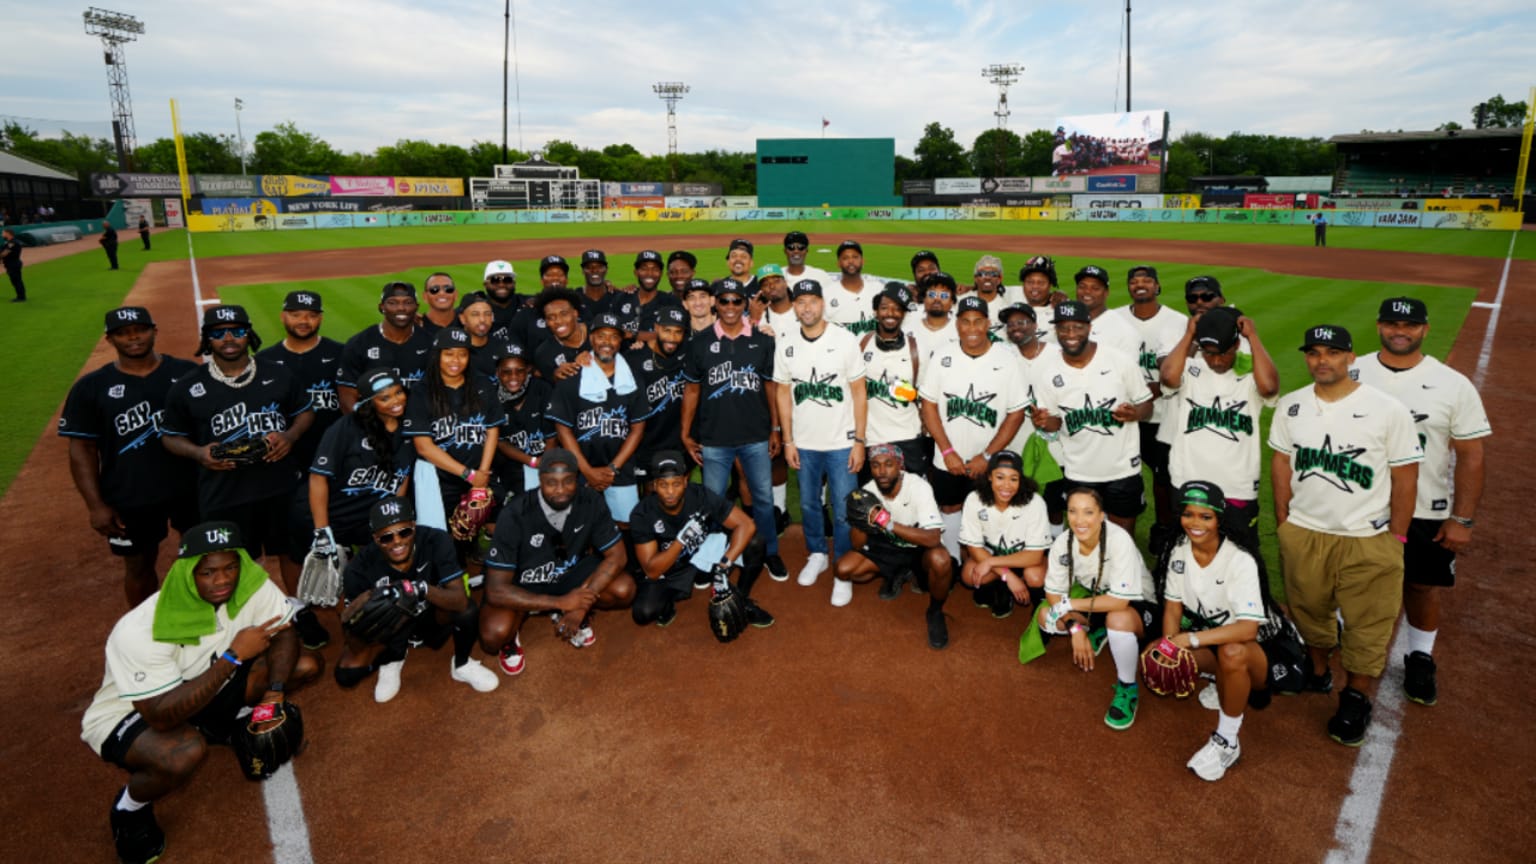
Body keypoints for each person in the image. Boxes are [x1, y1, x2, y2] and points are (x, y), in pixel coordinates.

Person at [80, 522, 321, 864]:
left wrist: (274, 694)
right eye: (208, 572)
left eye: (230, 567)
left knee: (305, 666)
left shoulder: (250, 586)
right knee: (184, 753)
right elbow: (160, 714)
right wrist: (233, 657)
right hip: (133, 712)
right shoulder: (141, 629)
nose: (223, 580)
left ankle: (225, 726)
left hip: (205, 687)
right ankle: (129, 809)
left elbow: (283, 633)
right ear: (186, 571)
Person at [1270, 325, 1422, 746]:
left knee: (1368, 623)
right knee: (1309, 610)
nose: (1322, 360)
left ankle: (1355, 696)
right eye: (1314, 352)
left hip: (1367, 538)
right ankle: (1318, 672)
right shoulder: (1292, 406)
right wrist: (1285, 521)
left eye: (1333, 352)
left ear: (1352, 358)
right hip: (1305, 533)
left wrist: (1398, 537)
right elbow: (1282, 464)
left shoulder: (1387, 410)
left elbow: (1406, 477)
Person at [1352, 297, 1490, 706]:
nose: (1400, 331)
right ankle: (1349, 644)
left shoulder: (1452, 384)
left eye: (1410, 325)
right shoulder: (1353, 370)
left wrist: (1461, 519)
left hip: (1424, 508)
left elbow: (1471, 454)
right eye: (1392, 323)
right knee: (1354, 580)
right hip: (1358, 504)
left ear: (1424, 330)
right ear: (1379, 325)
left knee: (1422, 585)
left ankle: (1420, 656)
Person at [160, 306, 315, 617]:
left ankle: (301, 613)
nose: (228, 338)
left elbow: (305, 411)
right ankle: (249, 619)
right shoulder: (188, 387)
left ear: (249, 334)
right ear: (207, 339)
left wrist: (290, 436)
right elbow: (170, 437)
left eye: (237, 331)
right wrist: (199, 453)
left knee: (291, 552)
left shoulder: (278, 373)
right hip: (224, 491)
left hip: (279, 484)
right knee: (236, 559)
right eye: (218, 332)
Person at [61, 307, 199, 606]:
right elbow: (82, 448)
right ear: (109, 339)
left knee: (201, 557)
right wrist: (96, 505)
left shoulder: (186, 373)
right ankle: (145, 630)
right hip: (130, 493)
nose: (133, 337)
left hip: (190, 488)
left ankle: (204, 618)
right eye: (123, 333)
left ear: (154, 331)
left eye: (140, 329)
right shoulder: (90, 388)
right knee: (138, 566)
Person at [480, 450, 637, 675]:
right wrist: (561, 602)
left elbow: (618, 556)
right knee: (494, 634)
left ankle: (572, 607)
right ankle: (520, 627)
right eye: (551, 483)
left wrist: (580, 605)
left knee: (624, 589)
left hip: (569, 575)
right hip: (524, 584)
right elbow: (495, 590)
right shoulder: (515, 513)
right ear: (540, 481)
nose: (561, 490)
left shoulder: (589, 500)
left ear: (576, 479)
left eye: (568, 481)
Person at [1158, 481, 1271, 781]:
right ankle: (1217, 680)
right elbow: (1173, 608)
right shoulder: (1179, 552)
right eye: (1188, 514)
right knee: (1156, 655)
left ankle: (1227, 741)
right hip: (1209, 641)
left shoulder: (1239, 560)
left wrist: (1189, 640)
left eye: (1205, 517)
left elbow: (1248, 628)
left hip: (1255, 655)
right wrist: (1169, 646)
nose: (1195, 523)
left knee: (1231, 652)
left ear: (1220, 518)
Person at [333, 497, 498, 701]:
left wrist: (418, 588)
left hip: (431, 613)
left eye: (404, 532)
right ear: (375, 538)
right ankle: (393, 658)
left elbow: (459, 600)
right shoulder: (358, 568)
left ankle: (462, 664)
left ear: (413, 526)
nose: (397, 542)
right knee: (347, 672)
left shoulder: (436, 540)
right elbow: (351, 627)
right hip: (392, 628)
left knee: (468, 611)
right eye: (386, 537)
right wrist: (365, 603)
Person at [680, 276, 787, 581]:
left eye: (736, 301)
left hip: (755, 435)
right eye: (723, 300)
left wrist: (775, 428)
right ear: (715, 303)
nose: (729, 306)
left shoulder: (762, 340)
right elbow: (691, 391)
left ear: (744, 304)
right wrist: (686, 433)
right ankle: (712, 557)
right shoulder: (699, 343)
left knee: (763, 499)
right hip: (714, 439)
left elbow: (770, 386)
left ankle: (769, 552)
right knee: (714, 503)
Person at [775, 278, 868, 605]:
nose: (807, 307)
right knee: (812, 503)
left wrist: (859, 440)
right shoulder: (786, 342)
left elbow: (859, 391)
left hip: (841, 441)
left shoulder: (844, 339)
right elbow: (783, 392)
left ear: (822, 304)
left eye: (813, 301)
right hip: (805, 442)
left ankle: (842, 562)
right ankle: (817, 552)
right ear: (795, 307)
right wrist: (787, 440)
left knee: (843, 508)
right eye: (800, 302)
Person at [918, 296, 1030, 563]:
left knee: (989, 509)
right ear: (957, 324)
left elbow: (1016, 414)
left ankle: (987, 566)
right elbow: (929, 405)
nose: (971, 328)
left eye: (978, 321)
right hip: (948, 457)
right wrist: (947, 451)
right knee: (950, 506)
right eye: (965, 322)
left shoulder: (1006, 359)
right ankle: (955, 560)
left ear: (988, 324)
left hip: (989, 460)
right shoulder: (943, 356)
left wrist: (988, 456)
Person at [1028, 300, 1154, 536]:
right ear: (1056, 330)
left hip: (1122, 469)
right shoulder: (1048, 373)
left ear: (1089, 327)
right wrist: (1045, 422)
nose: (1070, 334)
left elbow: (1146, 404)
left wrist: (1136, 413)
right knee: (1084, 537)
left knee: (1122, 538)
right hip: (1079, 470)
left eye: (1077, 327)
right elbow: (1055, 424)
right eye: (1064, 328)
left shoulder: (1119, 361)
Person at [1036, 487, 1156, 730]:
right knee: (1045, 617)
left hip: (1138, 607)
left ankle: (1127, 687)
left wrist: (1069, 604)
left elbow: (1119, 602)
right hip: (1097, 602)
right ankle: (1098, 632)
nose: (1080, 520)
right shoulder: (1063, 542)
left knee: (1118, 619)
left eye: (1088, 512)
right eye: (1073, 511)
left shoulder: (1119, 540)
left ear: (1102, 516)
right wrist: (1075, 629)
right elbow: (1053, 593)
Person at [1160, 307, 1279, 551]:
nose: (1216, 361)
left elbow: (1268, 388)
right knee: (1185, 550)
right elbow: (1168, 377)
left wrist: (1253, 337)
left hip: (1237, 484)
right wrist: (1189, 335)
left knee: (1241, 553)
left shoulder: (1249, 374)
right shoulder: (1191, 369)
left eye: (1222, 353)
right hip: (1188, 479)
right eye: (1209, 353)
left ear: (1236, 344)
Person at [629, 450, 774, 628]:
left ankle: (741, 600)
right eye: (663, 485)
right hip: (669, 567)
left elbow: (747, 525)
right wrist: (681, 541)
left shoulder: (700, 495)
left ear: (685, 480)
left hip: (701, 553)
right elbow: (652, 570)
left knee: (755, 542)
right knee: (645, 612)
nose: (670, 492)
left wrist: (724, 566)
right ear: (654, 485)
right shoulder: (641, 514)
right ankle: (668, 601)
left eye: (676, 483)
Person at [834, 444, 952, 647]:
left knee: (941, 560)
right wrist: (859, 520)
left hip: (919, 548)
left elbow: (933, 538)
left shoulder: (918, 487)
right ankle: (897, 573)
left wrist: (885, 522)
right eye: (876, 465)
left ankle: (935, 611)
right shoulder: (868, 491)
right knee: (843, 569)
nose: (882, 472)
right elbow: (857, 544)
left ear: (900, 466)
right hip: (888, 547)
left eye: (889, 464)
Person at [402, 326, 505, 545]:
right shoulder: (423, 391)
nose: (455, 360)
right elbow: (423, 447)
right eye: (449, 353)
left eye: (462, 354)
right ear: (437, 355)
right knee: (441, 539)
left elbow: (492, 429)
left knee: (496, 527)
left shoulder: (482, 385)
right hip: (439, 478)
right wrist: (468, 475)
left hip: (479, 472)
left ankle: (480, 565)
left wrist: (482, 475)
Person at [1111, 266, 1189, 550]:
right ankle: (1113, 529)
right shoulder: (1114, 319)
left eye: (1147, 280)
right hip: (1123, 415)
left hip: (1163, 416)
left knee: (1163, 476)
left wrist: (1144, 395)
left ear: (1158, 287)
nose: (1140, 285)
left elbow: (1178, 373)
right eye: (1134, 281)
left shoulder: (1177, 322)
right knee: (1119, 475)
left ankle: (1164, 527)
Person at [547, 312, 650, 527]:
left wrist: (612, 469)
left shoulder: (633, 378)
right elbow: (563, 429)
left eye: (614, 337)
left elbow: (637, 429)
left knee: (625, 524)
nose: (607, 342)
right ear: (592, 339)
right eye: (601, 336)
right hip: (580, 468)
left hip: (619, 468)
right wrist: (587, 471)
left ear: (620, 341)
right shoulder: (572, 376)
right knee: (579, 524)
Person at [302, 368, 415, 556]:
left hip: (369, 521)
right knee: (324, 579)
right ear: (369, 402)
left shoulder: (410, 426)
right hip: (331, 516)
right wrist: (322, 531)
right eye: (384, 398)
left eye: (398, 392)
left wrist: (392, 517)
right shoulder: (346, 428)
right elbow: (318, 477)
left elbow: (404, 475)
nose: (396, 401)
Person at [256, 290, 345, 476]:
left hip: (333, 448)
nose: (304, 321)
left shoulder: (342, 354)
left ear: (320, 318)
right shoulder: (264, 361)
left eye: (311, 315)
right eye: (295, 315)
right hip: (283, 453)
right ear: (283, 317)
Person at [958, 451, 1053, 620]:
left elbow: (1035, 556)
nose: (1006, 486)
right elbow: (973, 548)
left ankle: (1041, 605)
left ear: (1021, 480)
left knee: (1035, 576)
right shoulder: (974, 499)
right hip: (994, 560)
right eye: (1000, 477)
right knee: (969, 574)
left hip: (1023, 559)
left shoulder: (1034, 502)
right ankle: (1001, 588)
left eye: (1013, 479)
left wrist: (991, 562)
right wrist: (1008, 576)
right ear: (989, 476)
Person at [336, 282, 435, 412]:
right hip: (375, 424)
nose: (401, 308)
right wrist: (366, 425)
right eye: (392, 303)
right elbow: (347, 393)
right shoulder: (359, 344)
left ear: (416, 307)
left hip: (419, 423)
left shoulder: (430, 343)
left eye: (408, 302)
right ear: (382, 307)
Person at [860, 283, 927, 475]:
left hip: (907, 435)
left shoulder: (917, 349)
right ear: (875, 312)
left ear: (904, 314)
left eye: (898, 308)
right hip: (870, 437)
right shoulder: (861, 344)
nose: (891, 313)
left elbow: (925, 397)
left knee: (910, 496)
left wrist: (910, 393)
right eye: (884, 307)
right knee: (872, 497)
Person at [626, 305, 690, 486]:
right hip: (646, 441)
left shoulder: (688, 353)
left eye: (678, 332)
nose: (672, 338)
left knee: (676, 490)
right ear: (656, 328)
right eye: (667, 330)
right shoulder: (635, 358)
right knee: (648, 492)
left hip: (678, 441)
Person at [492, 343, 553, 497]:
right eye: (507, 372)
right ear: (498, 373)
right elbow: (499, 441)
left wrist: (544, 464)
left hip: (547, 460)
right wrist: (532, 461)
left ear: (527, 370)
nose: (513, 377)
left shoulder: (541, 389)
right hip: (513, 467)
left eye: (519, 371)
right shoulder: (491, 397)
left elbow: (553, 434)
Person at [1072, 265, 1139, 355]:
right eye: (1082, 286)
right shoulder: (1066, 323)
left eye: (1095, 288)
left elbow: (1128, 368)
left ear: (1106, 293)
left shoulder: (1123, 331)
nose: (1087, 291)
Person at [532, 286, 590, 381]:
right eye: (551, 317)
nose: (558, 321)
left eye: (564, 314)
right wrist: (555, 377)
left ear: (575, 313)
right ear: (546, 322)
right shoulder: (544, 354)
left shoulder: (598, 331)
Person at [824, 240, 877, 335]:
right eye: (845, 258)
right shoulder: (826, 294)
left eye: (855, 257)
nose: (851, 261)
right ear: (838, 263)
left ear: (863, 261)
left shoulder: (877, 289)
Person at [906, 271, 959, 361]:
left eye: (944, 295)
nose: (937, 299)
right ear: (924, 298)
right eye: (932, 294)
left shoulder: (960, 332)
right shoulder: (908, 329)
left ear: (952, 301)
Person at [453, 290, 501, 382]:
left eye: (487, 314)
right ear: (462, 318)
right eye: (475, 314)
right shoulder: (452, 350)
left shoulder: (502, 347)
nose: (482, 319)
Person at [1019, 255, 1067, 342]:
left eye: (1041, 282)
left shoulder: (1061, 311)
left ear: (1050, 285)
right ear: (1023, 284)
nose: (1035, 286)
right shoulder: (1012, 294)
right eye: (1030, 282)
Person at [1, 227, 23, 302]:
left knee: (16, 281)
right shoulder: (8, 242)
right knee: (15, 281)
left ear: (8, 233)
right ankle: (20, 296)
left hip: (13, 264)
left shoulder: (13, 242)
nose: (2, 234)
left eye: (3, 233)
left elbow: (4, 253)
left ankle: (21, 297)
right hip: (11, 264)